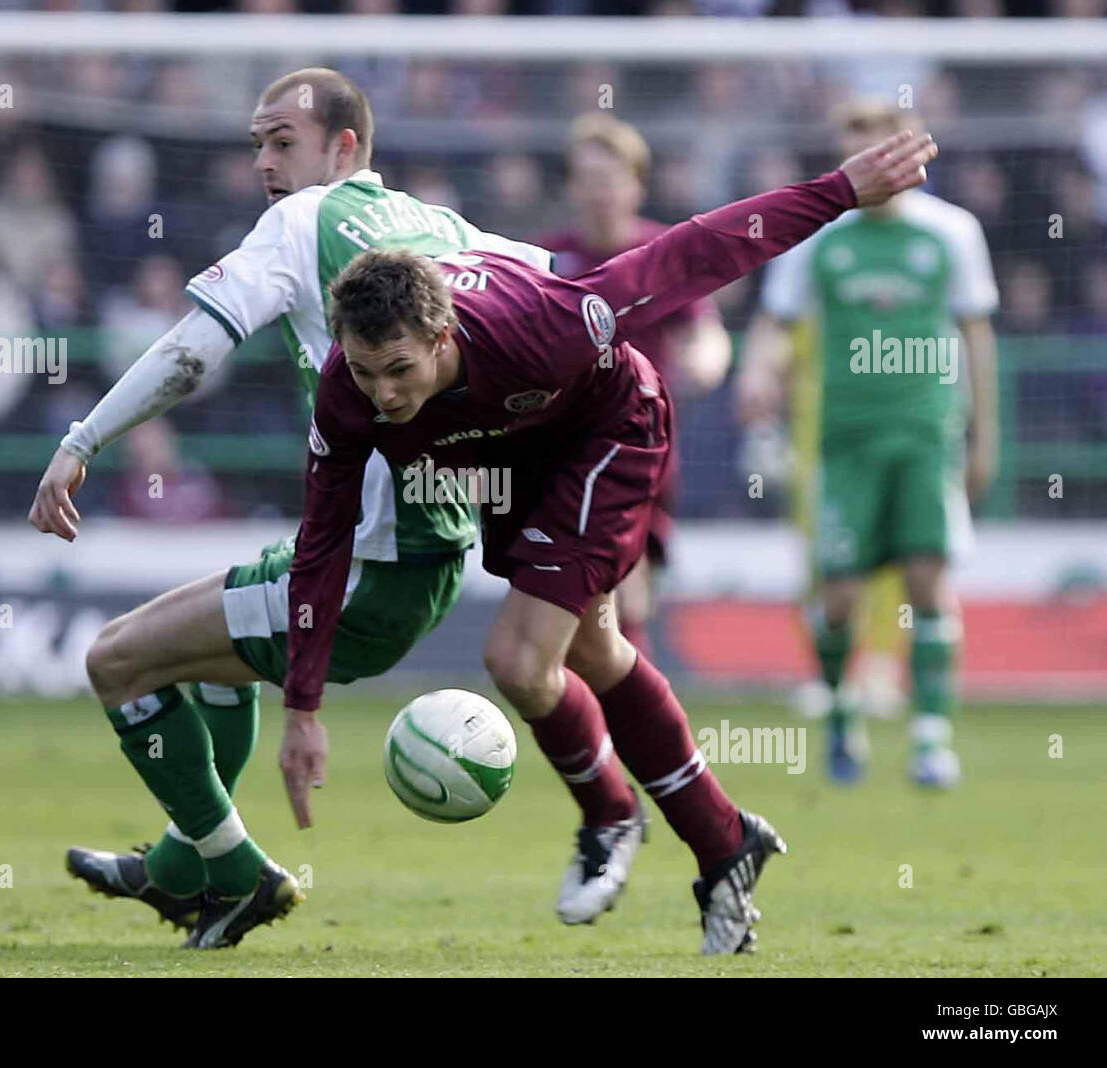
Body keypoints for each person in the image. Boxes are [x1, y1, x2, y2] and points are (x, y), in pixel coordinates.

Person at [277, 129, 938, 952]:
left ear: (443, 337)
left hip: (613, 428)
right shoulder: (348, 396)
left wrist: (839, 189)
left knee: (520, 660)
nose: (382, 393)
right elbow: (321, 542)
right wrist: (302, 706)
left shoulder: (546, 323)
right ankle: (725, 843)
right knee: (592, 649)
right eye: (366, 372)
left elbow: (695, 252)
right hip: (515, 455)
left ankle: (612, 814)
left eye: (399, 371)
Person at [28, 67, 597, 951]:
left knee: (116, 663)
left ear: (344, 147)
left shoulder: (302, 220)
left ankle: (237, 871)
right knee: (213, 666)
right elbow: (558, 294)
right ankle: (180, 871)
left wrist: (82, 440)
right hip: (415, 563)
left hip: (364, 570)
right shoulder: (440, 226)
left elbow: (191, 353)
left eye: (281, 140)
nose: (262, 159)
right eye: (256, 141)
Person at [736, 101, 998, 787]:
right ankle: (843, 720)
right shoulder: (820, 239)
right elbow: (775, 319)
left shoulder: (951, 234)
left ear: (908, 152)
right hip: (843, 437)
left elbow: (976, 335)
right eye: (854, 147)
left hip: (925, 430)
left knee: (927, 578)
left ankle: (931, 740)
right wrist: (759, 370)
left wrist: (985, 435)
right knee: (842, 595)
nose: (868, 161)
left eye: (880, 147)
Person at [538, 114, 731, 660]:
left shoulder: (660, 252)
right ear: (573, 187)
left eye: (612, 177)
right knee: (572, 599)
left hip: (639, 444)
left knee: (624, 587)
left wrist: (705, 361)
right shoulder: (548, 260)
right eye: (589, 178)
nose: (601, 192)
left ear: (636, 184)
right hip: (559, 450)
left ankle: (624, 724)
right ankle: (603, 722)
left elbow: (707, 334)